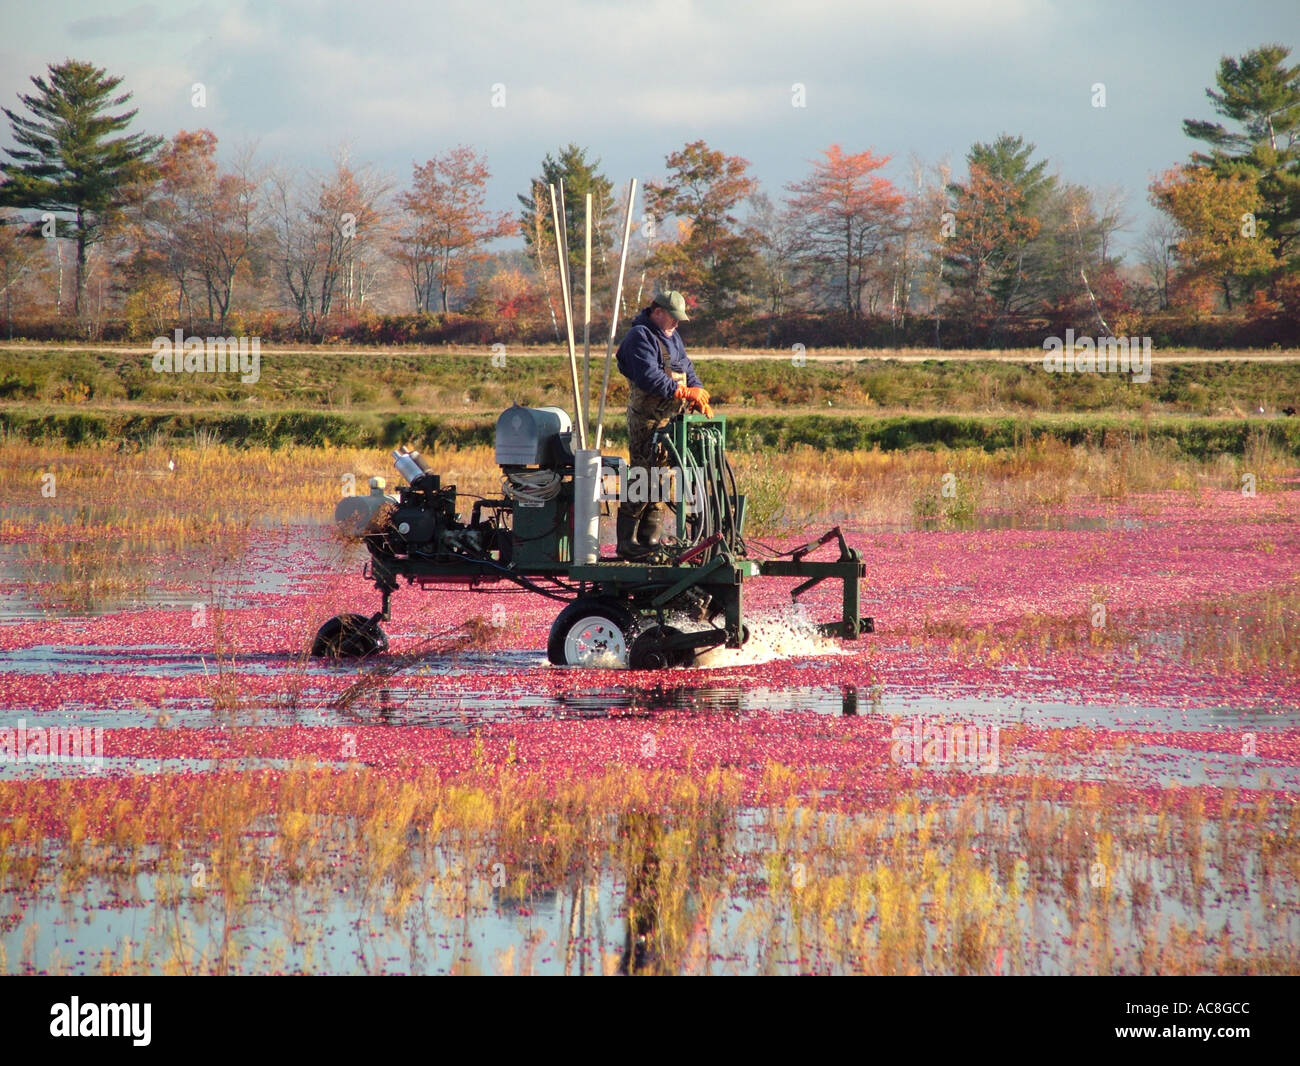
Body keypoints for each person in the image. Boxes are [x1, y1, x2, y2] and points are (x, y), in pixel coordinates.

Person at [614, 290, 712, 560]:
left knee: (662, 479)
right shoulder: (640, 337)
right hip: (647, 420)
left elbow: (687, 370)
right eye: (673, 318)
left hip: (670, 421)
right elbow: (649, 377)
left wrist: (698, 393)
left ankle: (649, 539)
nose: (677, 323)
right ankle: (627, 542)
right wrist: (682, 392)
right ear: (657, 312)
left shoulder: (673, 337)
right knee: (643, 477)